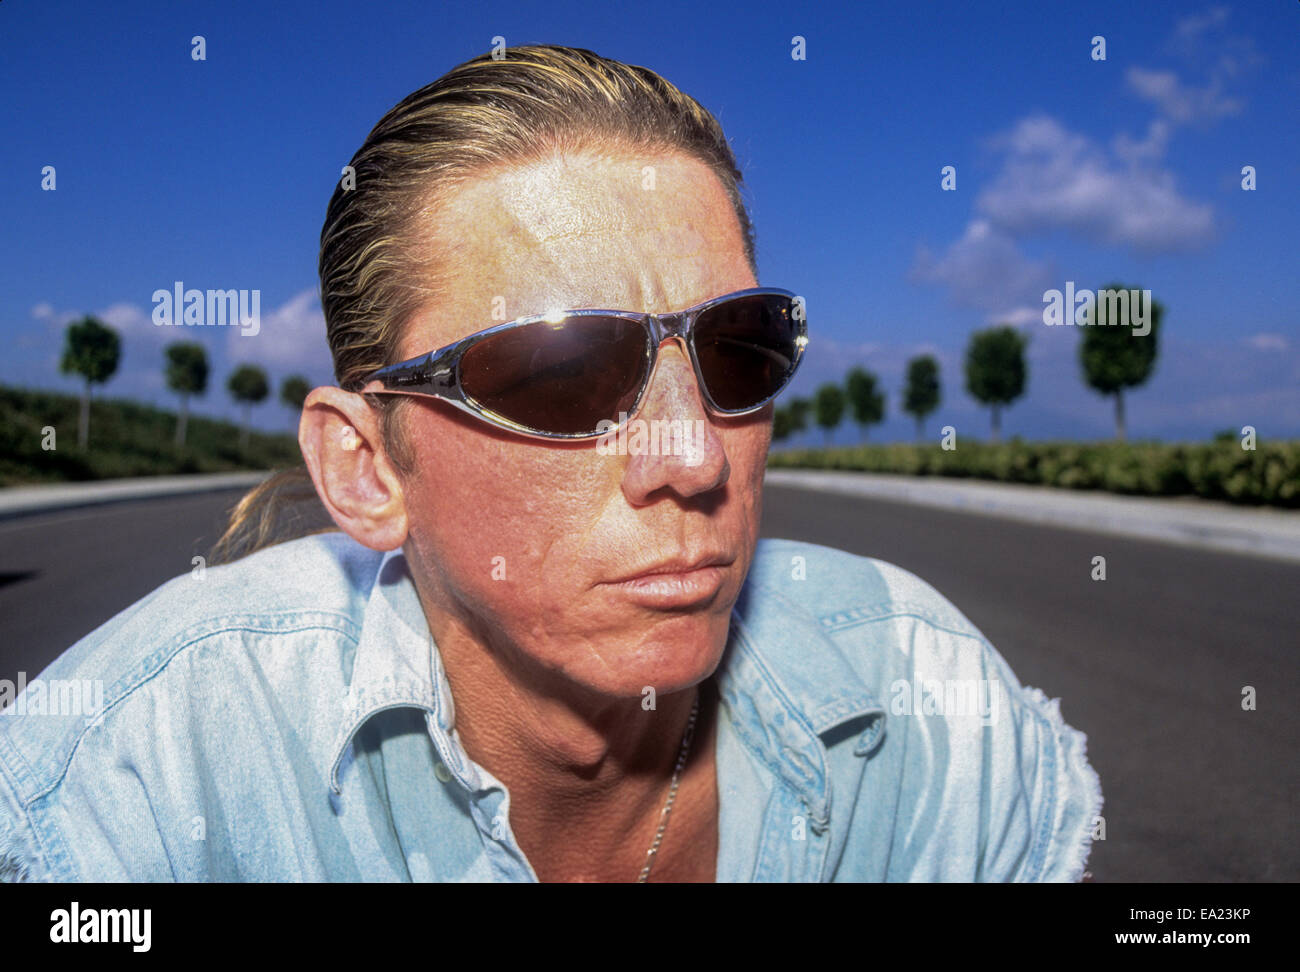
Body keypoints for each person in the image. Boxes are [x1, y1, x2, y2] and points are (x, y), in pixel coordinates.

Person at [0, 44, 1101, 883]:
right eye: (561, 374)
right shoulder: (123, 778)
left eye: (737, 352)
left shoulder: (928, 704)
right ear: (365, 469)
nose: (691, 457)